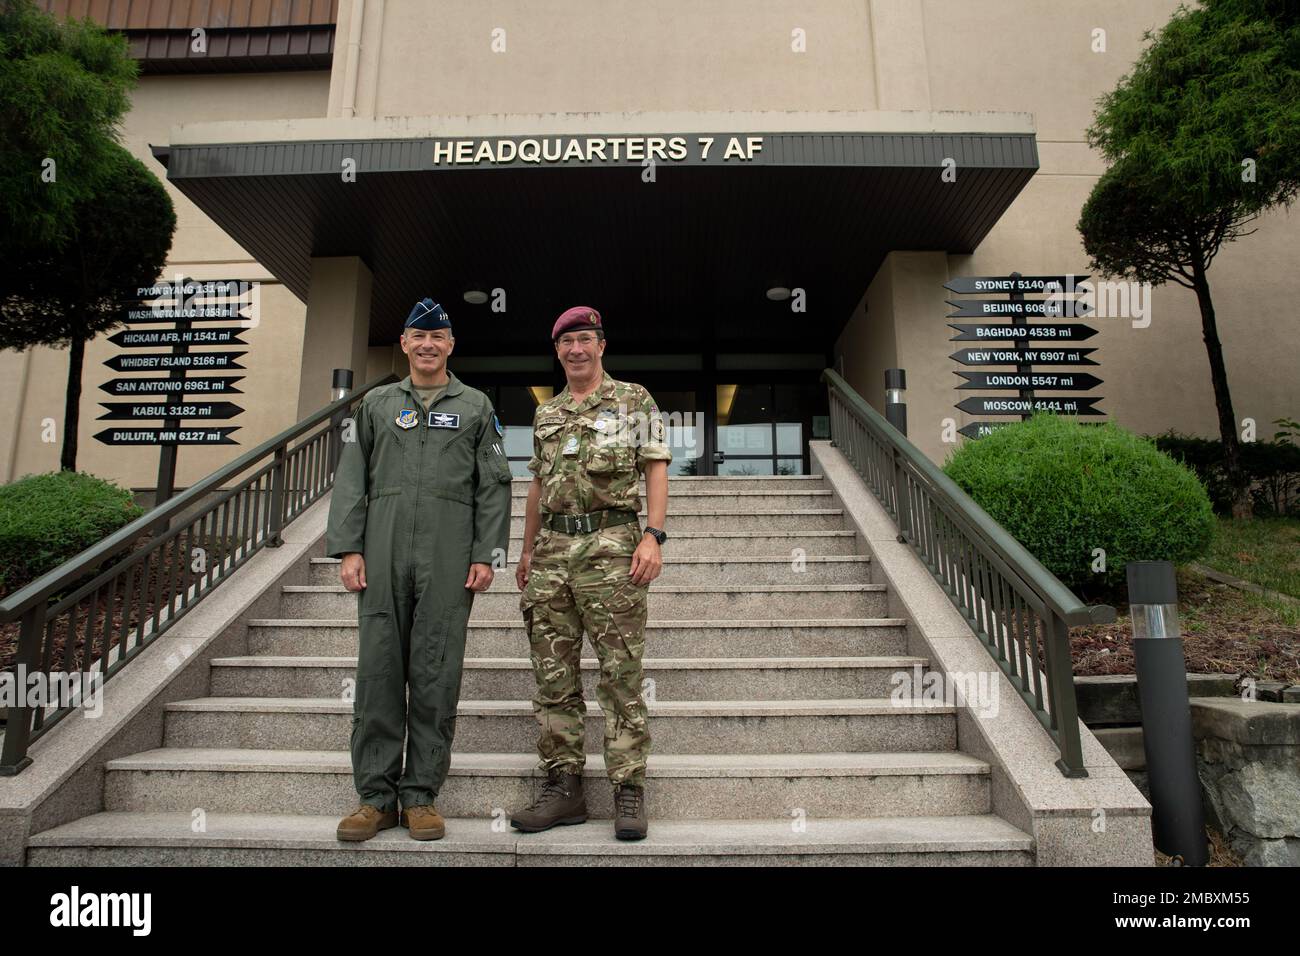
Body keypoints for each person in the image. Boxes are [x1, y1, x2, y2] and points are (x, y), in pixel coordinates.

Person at [326, 298, 512, 841]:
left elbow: (494, 484)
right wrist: (350, 549)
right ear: (405, 344)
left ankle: (421, 796)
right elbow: (352, 478)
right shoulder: (378, 405)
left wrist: (486, 553)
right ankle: (374, 799)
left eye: (439, 337)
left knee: (435, 672)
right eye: (418, 337)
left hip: (449, 557)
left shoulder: (476, 406)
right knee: (379, 672)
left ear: (451, 345)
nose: (428, 345)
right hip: (381, 553)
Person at [510, 305, 670, 840]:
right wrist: (526, 549)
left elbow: (656, 466)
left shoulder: (634, 399)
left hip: (614, 547)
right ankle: (565, 788)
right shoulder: (546, 413)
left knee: (620, 674)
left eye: (584, 339)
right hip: (553, 550)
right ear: (557, 351)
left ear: (601, 344)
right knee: (553, 677)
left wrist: (654, 534)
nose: (575, 349)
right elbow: (535, 485)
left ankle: (628, 789)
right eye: (566, 343)